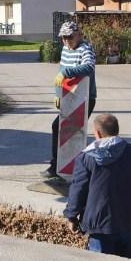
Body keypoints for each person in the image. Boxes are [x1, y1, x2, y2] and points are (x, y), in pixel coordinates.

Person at [63, 113, 131, 260]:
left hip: (100, 228)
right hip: (130, 223)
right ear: (117, 130)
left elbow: (78, 190)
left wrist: (71, 216)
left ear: (97, 133)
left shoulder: (86, 158)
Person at [43, 20, 96, 178]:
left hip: (84, 98)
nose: (66, 41)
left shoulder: (85, 48)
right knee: (59, 128)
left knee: (71, 132)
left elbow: (89, 67)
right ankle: (58, 166)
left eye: (70, 37)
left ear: (78, 35)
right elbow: (60, 74)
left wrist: (67, 72)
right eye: (63, 38)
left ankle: (69, 169)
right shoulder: (65, 49)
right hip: (68, 97)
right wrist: (58, 94)